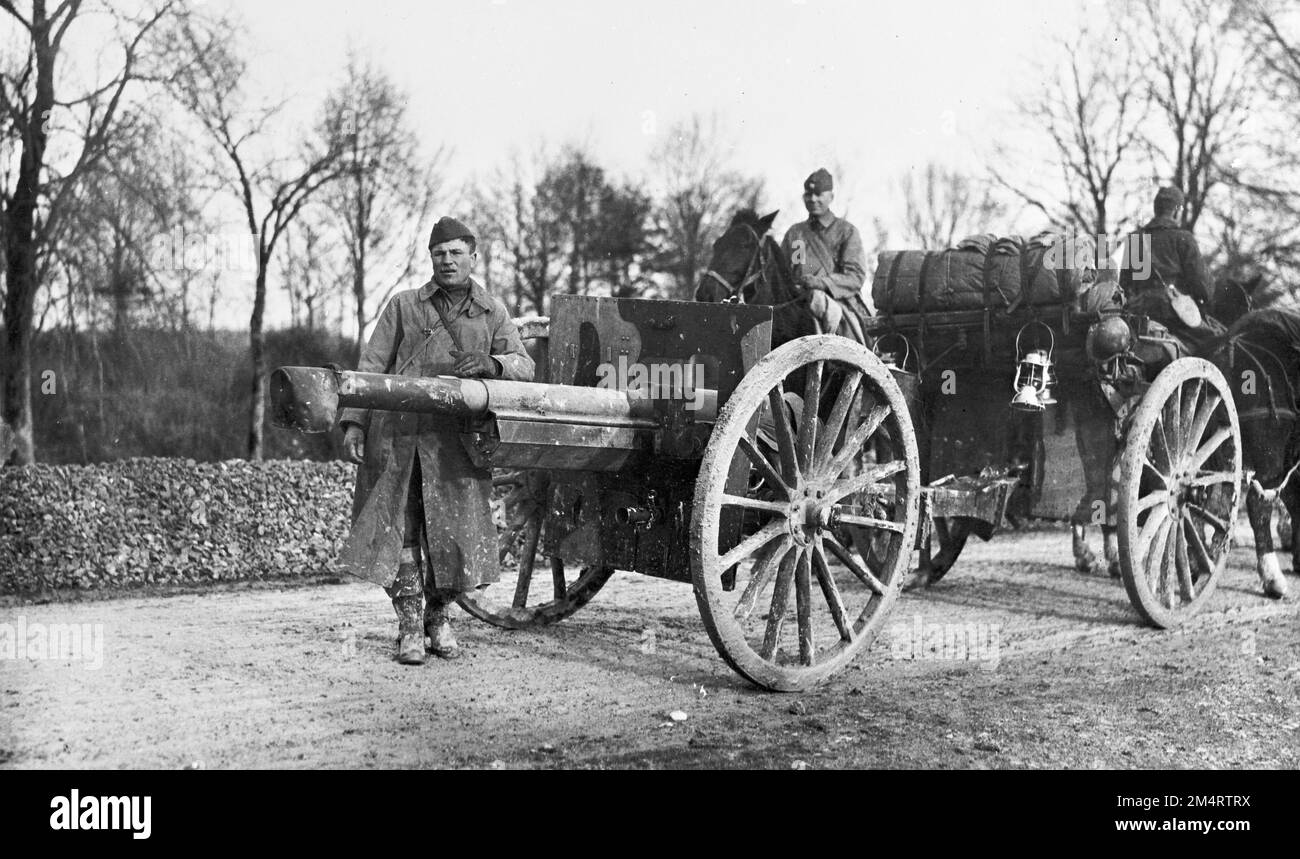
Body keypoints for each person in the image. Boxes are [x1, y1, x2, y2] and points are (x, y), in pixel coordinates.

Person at [339, 216, 534, 665]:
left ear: (473, 257)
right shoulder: (404, 306)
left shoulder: (491, 312)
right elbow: (370, 368)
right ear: (431, 259)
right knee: (400, 531)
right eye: (439, 254)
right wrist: (354, 424)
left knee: (454, 535)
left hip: (457, 446)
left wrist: (492, 364)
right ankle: (409, 626)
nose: (447, 261)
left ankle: (439, 619)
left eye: (456, 253)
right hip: (399, 440)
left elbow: (525, 366)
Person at [780, 168, 871, 342]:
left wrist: (822, 283)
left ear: (831, 197)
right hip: (796, 303)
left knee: (846, 346)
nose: (813, 199)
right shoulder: (794, 233)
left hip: (836, 304)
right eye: (808, 194)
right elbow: (782, 274)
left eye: (818, 194)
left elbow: (855, 277)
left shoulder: (846, 231)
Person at [1118, 186, 1217, 346]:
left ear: (1156, 208)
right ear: (1177, 210)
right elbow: (1203, 287)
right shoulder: (1183, 238)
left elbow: (1123, 286)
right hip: (1173, 314)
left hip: (1138, 314)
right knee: (1214, 344)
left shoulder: (1136, 239)